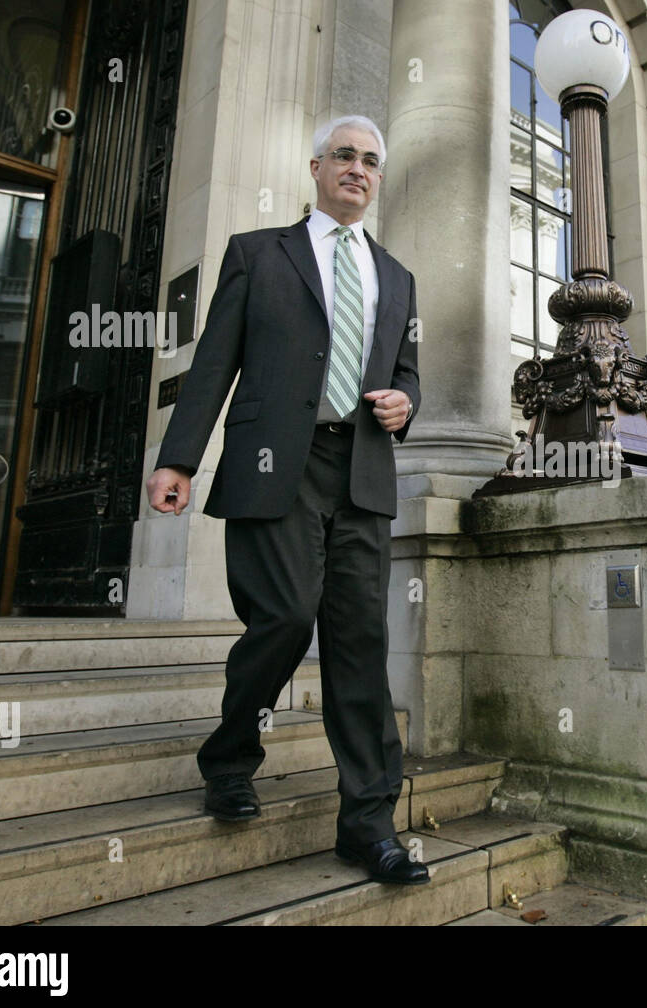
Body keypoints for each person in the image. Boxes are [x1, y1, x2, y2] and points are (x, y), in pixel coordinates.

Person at [144, 114, 426, 885]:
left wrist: (406, 402)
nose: (358, 170)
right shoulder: (256, 254)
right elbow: (214, 366)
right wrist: (179, 460)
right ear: (316, 166)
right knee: (286, 615)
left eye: (371, 161)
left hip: (361, 472)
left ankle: (368, 824)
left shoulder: (396, 276)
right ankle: (230, 758)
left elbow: (406, 372)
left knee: (361, 645)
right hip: (276, 466)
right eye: (345, 156)